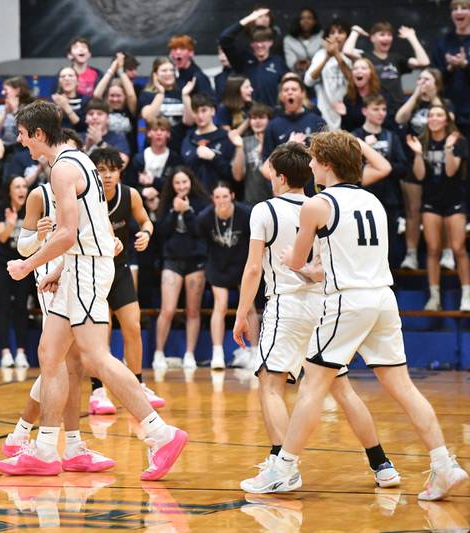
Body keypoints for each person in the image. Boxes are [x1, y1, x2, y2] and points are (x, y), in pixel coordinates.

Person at [247, 130, 468, 501]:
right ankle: (443, 464)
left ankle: (283, 469)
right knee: (402, 387)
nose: (312, 165)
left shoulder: (317, 205)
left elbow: (300, 262)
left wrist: (290, 262)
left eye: (316, 159)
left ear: (328, 165)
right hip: (383, 298)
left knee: (313, 388)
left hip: (346, 302)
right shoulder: (373, 201)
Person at [0, 100, 187, 480]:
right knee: (51, 355)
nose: (21, 142)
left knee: (96, 358)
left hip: (87, 268)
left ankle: (160, 433)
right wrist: (62, 271)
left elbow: (67, 234)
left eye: (23, 134)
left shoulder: (63, 170)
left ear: (38, 133)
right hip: (82, 267)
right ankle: (46, 449)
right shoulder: (78, 160)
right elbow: (89, 228)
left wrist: (28, 265)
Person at [234, 141, 402, 493]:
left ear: (279, 177)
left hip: (287, 305)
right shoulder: (322, 204)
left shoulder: (265, 209)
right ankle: (381, 463)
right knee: (340, 388)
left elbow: (252, 269)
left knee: (270, 383)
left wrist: (241, 314)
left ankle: (282, 463)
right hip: (326, 304)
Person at [0, 155, 115, 472]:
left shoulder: (82, 193)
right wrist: (37, 235)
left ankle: (25, 436)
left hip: (74, 273)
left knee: (63, 361)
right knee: (65, 362)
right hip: (51, 279)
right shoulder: (40, 194)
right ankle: (61, 443)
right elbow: (22, 246)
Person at [89, 147, 163, 413]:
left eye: (112, 169)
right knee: (101, 332)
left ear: (120, 171)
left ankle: (138, 384)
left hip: (119, 270)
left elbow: (146, 221)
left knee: (132, 325)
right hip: (94, 271)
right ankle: (98, 390)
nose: (107, 176)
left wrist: (145, 233)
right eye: (101, 170)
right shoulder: (85, 197)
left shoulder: (130, 194)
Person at [406, 104, 470, 311]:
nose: (433, 118)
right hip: (431, 201)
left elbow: (451, 171)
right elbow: (420, 176)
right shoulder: (421, 142)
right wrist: (417, 154)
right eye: (431, 115)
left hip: (455, 201)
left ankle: (466, 296)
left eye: (438, 115)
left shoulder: (458, 140)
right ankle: (434, 297)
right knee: (433, 249)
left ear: (446, 119)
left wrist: (449, 148)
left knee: (458, 248)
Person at [153, 167, 209, 371]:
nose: (182, 186)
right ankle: (158, 353)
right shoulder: (166, 202)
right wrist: (174, 211)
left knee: (192, 311)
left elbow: (200, 231)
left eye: (185, 182)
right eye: (177, 183)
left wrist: (187, 212)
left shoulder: (202, 203)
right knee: (167, 310)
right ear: (172, 185)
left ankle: (189, 354)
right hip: (172, 260)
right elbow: (162, 233)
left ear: (191, 182)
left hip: (196, 261)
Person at [396, 69, 452, 270]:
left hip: (438, 161)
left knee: (442, 207)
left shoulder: (444, 104)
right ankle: (411, 255)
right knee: (413, 210)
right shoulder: (415, 104)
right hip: (415, 161)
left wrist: (433, 95)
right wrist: (415, 94)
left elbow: (449, 121)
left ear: (436, 82)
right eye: (419, 79)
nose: (421, 82)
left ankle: (447, 252)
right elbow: (400, 118)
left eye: (426, 79)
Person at [197, 181, 256, 369]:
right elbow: (200, 242)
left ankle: (254, 352)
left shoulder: (246, 214)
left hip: (242, 263)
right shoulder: (205, 217)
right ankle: (217, 353)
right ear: (213, 199)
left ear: (232, 196)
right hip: (217, 264)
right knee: (220, 306)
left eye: (224, 196)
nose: (221, 200)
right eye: (217, 197)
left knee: (249, 308)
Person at [352, 95, 408, 264]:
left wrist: (380, 165)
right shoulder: (355, 137)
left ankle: (390, 286)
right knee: (362, 247)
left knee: (388, 247)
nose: (381, 113)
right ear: (365, 111)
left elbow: (403, 168)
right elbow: (349, 171)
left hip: (388, 199)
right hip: (361, 200)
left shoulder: (391, 137)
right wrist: (366, 152)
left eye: (383, 109)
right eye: (376, 109)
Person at [0, 176, 32, 368]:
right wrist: (11, 222)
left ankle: (22, 353)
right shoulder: (1, 208)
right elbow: (1, 237)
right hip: (1, 263)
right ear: (10, 191)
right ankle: (6, 352)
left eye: (24, 186)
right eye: (17, 186)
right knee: (4, 307)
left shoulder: (32, 208)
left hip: (24, 264)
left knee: (21, 308)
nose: (21, 190)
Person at [343, 21, 430, 108]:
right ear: (372, 38)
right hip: (375, 107)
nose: (387, 38)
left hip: (397, 107)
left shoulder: (397, 58)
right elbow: (347, 51)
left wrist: (412, 37)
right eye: (382, 34)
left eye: (389, 35)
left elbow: (424, 62)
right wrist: (355, 32)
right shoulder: (366, 58)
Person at [219, 8, 289, 107]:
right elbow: (224, 39)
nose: (260, 45)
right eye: (256, 41)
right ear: (251, 44)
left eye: (263, 41)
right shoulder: (242, 60)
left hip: (271, 115)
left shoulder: (278, 62)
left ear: (271, 42)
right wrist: (248, 19)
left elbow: (289, 84)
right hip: (246, 114)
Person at [261, 76, 326, 163]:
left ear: (303, 93)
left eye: (294, 89)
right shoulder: (272, 126)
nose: (290, 92)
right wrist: (288, 147)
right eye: (286, 90)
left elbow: (326, 156)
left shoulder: (317, 121)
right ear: (280, 96)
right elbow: (266, 164)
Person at [304, 20, 353, 131]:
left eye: (340, 32)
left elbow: (353, 81)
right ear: (327, 36)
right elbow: (308, 81)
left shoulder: (352, 54)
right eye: (332, 32)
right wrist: (327, 57)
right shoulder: (320, 55)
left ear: (347, 36)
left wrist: (336, 54)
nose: (336, 36)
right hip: (324, 112)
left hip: (348, 112)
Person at [181, 95, 236, 192]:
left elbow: (234, 175)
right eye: (196, 111)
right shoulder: (188, 139)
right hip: (194, 196)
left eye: (204, 110)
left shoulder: (226, 137)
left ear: (213, 111)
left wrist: (213, 158)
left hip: (221, 197)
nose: (200, 116)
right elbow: (184, 171)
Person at [432, 0, 470, 139]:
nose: (459, 11)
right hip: (449, 111)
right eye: (455, 9)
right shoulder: (442, 42)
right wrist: (449, 68)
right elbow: (435, 78)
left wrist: (465, 65)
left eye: (464, 8)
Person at [139, 57, 193, 152]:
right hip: (155, 149)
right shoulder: (147, 94)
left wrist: (185, 96)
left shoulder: (182, 91)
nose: (169, 73)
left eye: (171, 70)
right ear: (155, 74)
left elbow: (189, 121)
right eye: (164, 71)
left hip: (179, 146)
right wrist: (160, 93)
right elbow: (149, 118)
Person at [93, 53, 139, 155]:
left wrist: (120, 70)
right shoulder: (104, 109)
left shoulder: (130, 109)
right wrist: (112, 69)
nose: (115, 99)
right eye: (112, 95)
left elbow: (131, 95)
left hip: (128, 156)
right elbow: (96, 95)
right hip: (104, 154)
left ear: (124, 97)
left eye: (118, 96)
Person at [232, 103, 273, 205]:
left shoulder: (276, 140)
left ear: (269, 120)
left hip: (275, 200)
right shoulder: (244, 142)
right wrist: (239, 147)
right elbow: (237, 176)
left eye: (261, 117)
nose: (257, 121)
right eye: (254, 118)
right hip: (252, 202)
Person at [129, 117, 181, 194]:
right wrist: (143, 191)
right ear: (149, 133)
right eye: (155, 130)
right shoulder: (138, 159)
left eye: (162, 130)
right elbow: (129, 183)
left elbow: (176, 184)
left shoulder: (175, 159)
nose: (158, 133)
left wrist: (154, 180)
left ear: (168, 134)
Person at [337, 58, 389, 134]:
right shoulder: (348, 98)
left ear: (371, 73)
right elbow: (347, 129)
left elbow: (387, 122)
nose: (359, 71)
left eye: (363, 68)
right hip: (356, 139)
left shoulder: (381, 94)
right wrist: (343, 114)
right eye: (355, 68)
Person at [81, 98, 130, 165]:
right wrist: (87, 147)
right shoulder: (79, 137)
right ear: (86, 118)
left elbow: (122, 163)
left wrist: (100, 143)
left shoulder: (118, 138)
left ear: (107, 119)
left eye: (100, 114)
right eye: (91, 114)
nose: (95, 117)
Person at [0, 76, 33, 154]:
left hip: (25, 150)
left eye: (5, 90)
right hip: (5, 151)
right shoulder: (1, 108)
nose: (2, 93)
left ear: (17, 91)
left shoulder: (29, 108)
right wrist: (5, 112)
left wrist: (15, 110)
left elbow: (29, 129)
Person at [167, 34, 216, 99]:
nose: (178, 52)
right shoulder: (171, 74)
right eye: (174, 49)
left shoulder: (198, 77)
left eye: (182, 48)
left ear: (191, 53)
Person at [283, 8, 323, 81]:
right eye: (302, 18)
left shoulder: (322, 36)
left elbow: (323, 58)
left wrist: (312, 64)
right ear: (298, 21)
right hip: (298, 78)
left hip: (318, 78)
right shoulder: (289, 40)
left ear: (315, 21)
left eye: (309, 18)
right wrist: (298, 65)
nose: (306, 21)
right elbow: (290, 63)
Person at [52, 66, 88, 131]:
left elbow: (82, 127)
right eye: (63, 76)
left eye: (70, 76)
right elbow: (49, 126)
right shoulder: (52, 101)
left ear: (78, 81)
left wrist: (65, 106)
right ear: (59, 82)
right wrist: (58, 107)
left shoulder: (86, 100)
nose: (66, 78)